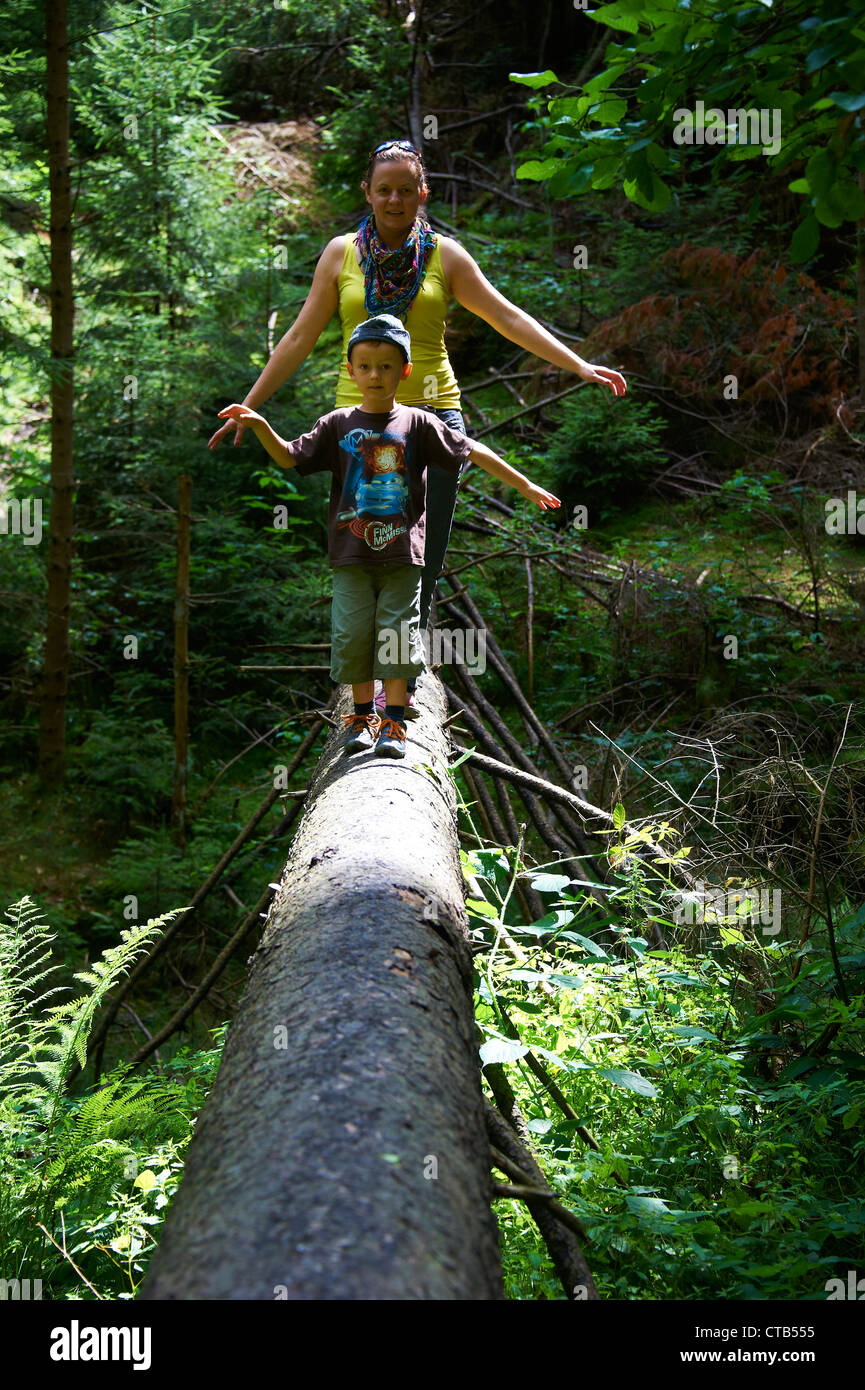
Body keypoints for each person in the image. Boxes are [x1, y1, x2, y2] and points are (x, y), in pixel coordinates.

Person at [209, 137, 626, 714]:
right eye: (384, 189)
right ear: (368, 193)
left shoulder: (445, 256)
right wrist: (251, 406)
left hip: (430, 418)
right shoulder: (339, 255)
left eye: (407, 189)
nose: (395, 199)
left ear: (423, 193)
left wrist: (578, 365)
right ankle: (368, 676)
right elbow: (301, 336)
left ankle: (396, 683)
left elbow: (504, 314)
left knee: (421, 551)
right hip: (358, 425)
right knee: (360, 544)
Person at [216, 314, 561, 759]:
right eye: (364, 366)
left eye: (384, 365)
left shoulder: (418, 423)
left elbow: (470, 449)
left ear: (405, 370)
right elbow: (288, 458)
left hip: (403, 555)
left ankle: (394, 723)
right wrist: (260, 424)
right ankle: (361, 717)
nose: (374, 375)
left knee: (398, 636)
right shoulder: (336, 423)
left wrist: (524, 485)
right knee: (353, 636)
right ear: (351, 371)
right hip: (350, 555)